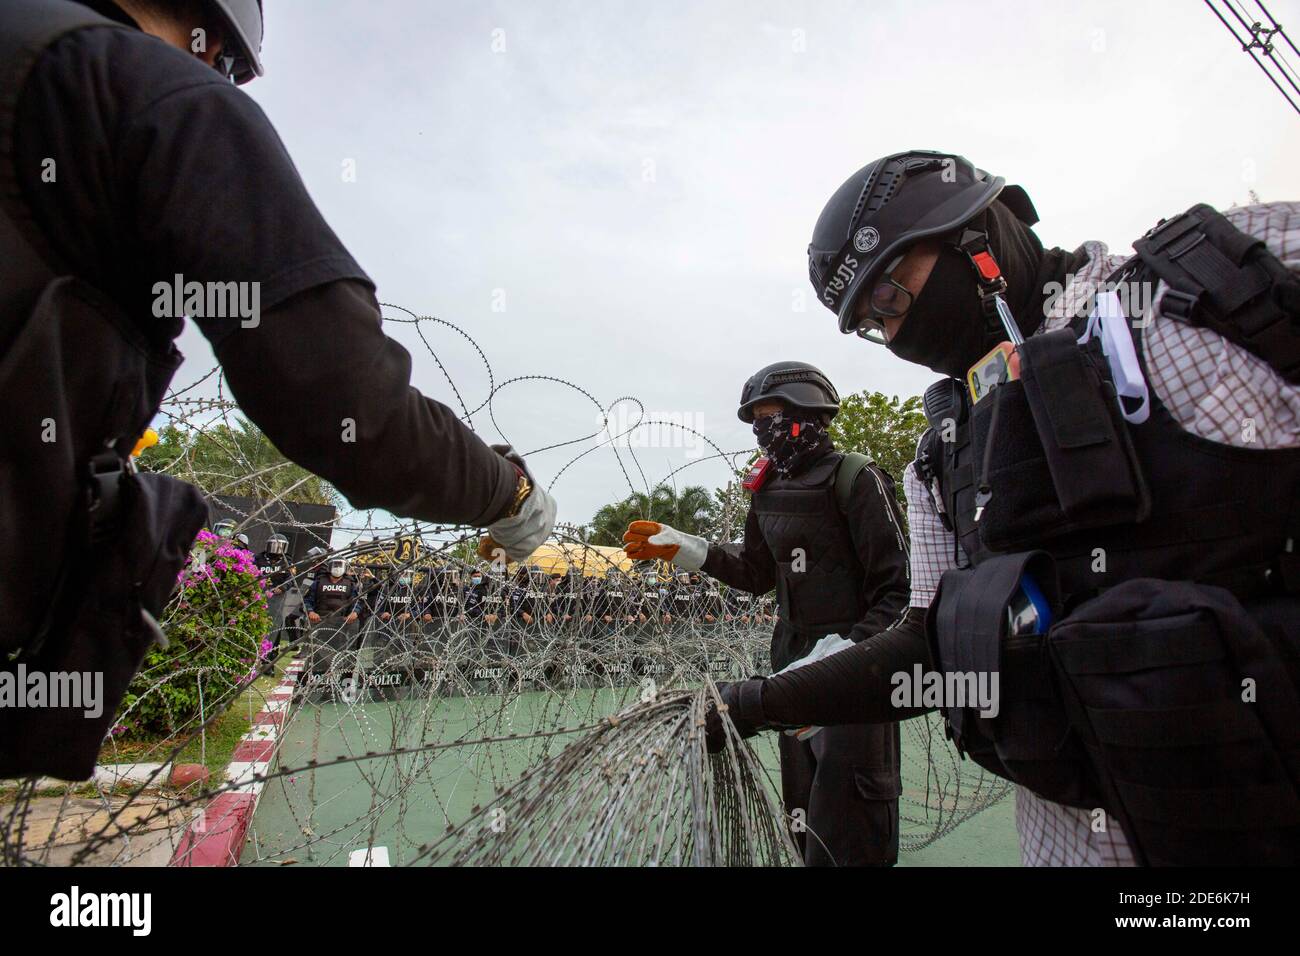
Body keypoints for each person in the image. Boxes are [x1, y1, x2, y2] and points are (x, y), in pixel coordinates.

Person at [0, 0, 556, 780]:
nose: (218, 76)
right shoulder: (152, 90)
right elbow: (349, 406)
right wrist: (507, 489)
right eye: (226, 67)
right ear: (212, 35)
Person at [716, 150, 1300, 867]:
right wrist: (757, 703)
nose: (894, 335)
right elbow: (926, 645)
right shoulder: (940, 456)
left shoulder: (1205, 280)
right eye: (872, 324)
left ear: (976, 237)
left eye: (892, 299)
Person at [624, 361, 912, 866]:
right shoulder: (767, 489)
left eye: (772, 415)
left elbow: (899, 593)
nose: (763, 430)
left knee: (849, 830)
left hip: (857, 674)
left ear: (807, 412)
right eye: (755, 420)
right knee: (803, 826)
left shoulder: (857, 478)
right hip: (790, 667)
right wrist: (687, 549)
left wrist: (839, 656)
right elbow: (756, 572)